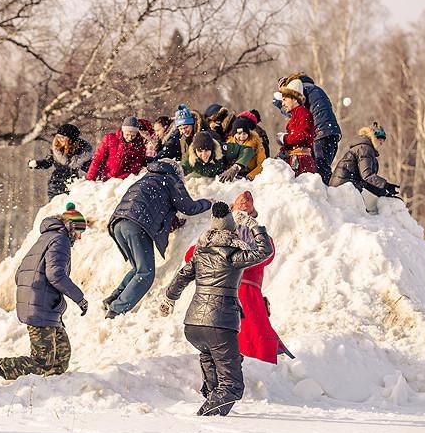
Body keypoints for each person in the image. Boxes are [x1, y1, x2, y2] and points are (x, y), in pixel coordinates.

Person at [160, 201, 273, 416]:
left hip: (193, 326)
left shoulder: (200, 254)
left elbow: (182, 276)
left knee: (211, 360)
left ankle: (214, 408)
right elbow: (264, 250)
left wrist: (169, 298)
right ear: (232, 230)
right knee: (232, 386)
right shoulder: (233, 255)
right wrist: (252, 224)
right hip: (219, 325)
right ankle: (206, 416)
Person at [0, 203, 89, 381]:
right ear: (72, 228)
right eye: (79, 233)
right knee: (42, 362)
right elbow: (56, 274)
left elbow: (21, 273)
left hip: (41, 303)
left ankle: (50, 388)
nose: (79, 238)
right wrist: (80, 298)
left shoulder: (47, 238)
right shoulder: (60, 241)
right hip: (40, 305)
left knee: (61, 358)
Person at [182, 191, 291, 364]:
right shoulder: (214, 237)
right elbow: (191, 256)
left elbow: (268, 254)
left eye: (250, 201)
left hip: (248, 302)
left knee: (254, 353)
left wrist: (251, 231)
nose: (246, 199)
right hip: (221, 299)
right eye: (241, 199)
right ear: (230, 209)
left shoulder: (260, 239)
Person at [103, 159, 211, 318]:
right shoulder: (171, 179)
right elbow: (189, 207)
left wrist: (173, 223)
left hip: (118, 223)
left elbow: (155, 205)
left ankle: (113, 298)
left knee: (138, 268)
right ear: (178, 173)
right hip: (136, 225)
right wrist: (207, 203)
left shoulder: (148, 178)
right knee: (146, 273)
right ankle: (116, 310)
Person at [273, 73, 341, 185]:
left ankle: (324, 196)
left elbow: (299, 118)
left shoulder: (302, 91)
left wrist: (280, 105)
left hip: (321, 132)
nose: (283, 99)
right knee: (323, 168)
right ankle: (327, 194)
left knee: (319, 172)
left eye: (284, 96)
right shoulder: (314, 89)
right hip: (331, 131)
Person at [329, 122, 400, 213]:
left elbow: (365, 181)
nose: (382, 142)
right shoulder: (365, 149)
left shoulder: (363, 148)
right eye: (379, 138)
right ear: (372, 136)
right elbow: (367, 176)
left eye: (383, 139)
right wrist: (386, 185)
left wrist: (383, 192)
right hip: (343, 189)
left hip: (341, 188)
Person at [28, 123, 93, 200]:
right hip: (55, 184)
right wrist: (37, 164)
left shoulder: (80, 153)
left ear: (70, 140)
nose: (59, 140)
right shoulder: (56, 150)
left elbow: (89, 167)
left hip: (72, 184)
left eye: (62, 138)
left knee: (70, 206)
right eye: (58, 137)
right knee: (55, 206)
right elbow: (48, 162)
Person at [274, 78, 316, 176]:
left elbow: (303, 135)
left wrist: (284, 138)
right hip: (296, 160)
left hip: (301, 162)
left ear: (294, 98)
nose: (283, 103)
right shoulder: (296, 114)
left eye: (284, 100)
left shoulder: (302, 112)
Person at [86, 116, 147, 181]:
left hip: (124, 181)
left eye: (133, 135)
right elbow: (98, 159)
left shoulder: (140, 146)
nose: (129, 138)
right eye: (127, 134)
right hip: (105, 178)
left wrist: (120, 179)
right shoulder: (110, 139)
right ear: (123, 131)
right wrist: (90, 178)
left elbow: (135, 167)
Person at [181, 131, 254, 182]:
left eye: (207, 150)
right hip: (202, 184)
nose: (204, 155)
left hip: (221, 179)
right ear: (195, 151)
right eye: (200, 151)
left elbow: (247, 150)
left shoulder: (221, 149)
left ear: (212, 149)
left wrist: (236, 167)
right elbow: (178, 170)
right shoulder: (190, 158)